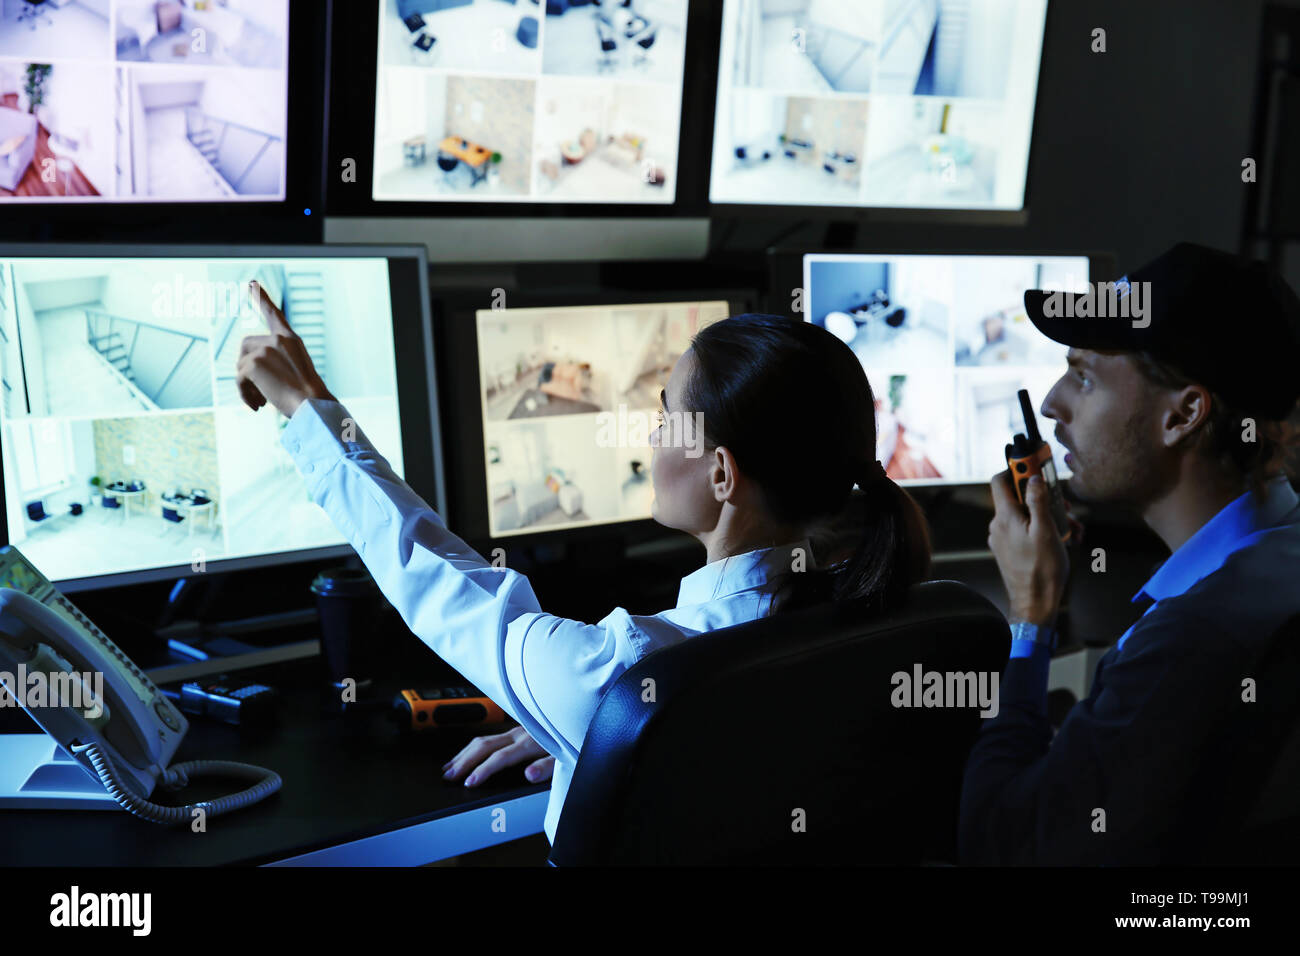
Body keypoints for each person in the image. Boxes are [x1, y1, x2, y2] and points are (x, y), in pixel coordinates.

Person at [236, 299, 930, 844]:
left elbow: (434, 577)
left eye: (666, 417)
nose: (653, 437)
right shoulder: (888, 623)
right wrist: (589, 736)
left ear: (721, 474)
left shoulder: (624, 677)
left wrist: (306, 407)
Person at [962, 243, 1300, 864]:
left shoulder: (1190, 638)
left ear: (1184, 415)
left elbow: (999, 843)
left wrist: (1030, 614)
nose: (1051, 404)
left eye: (1085, 376)